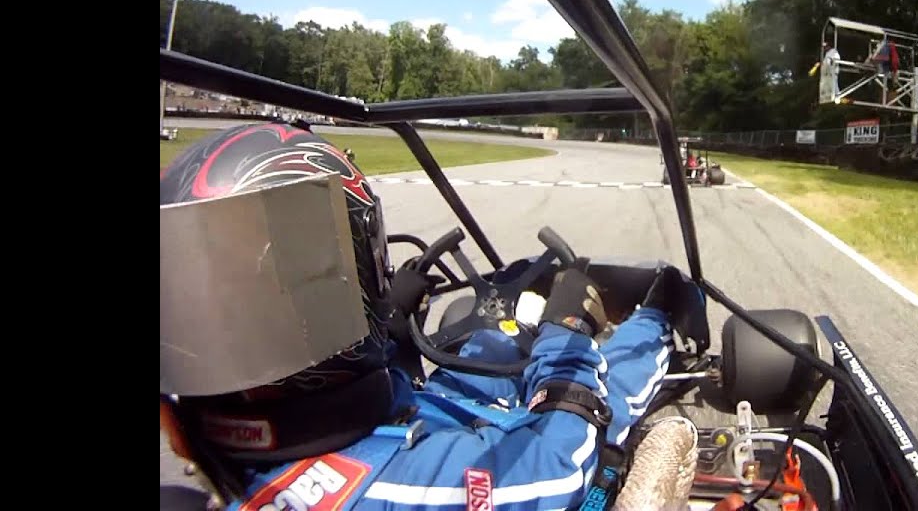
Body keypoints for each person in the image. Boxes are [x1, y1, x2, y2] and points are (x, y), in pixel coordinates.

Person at [160, 122, 692, 511]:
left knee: (487, 346)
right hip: (476, 450)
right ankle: (662, 318)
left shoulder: (239, 434)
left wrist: (391, 323)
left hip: (400, 416)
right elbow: (559, 468)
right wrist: (568, 334)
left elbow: (301, 371)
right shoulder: (371, 489)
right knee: (595, 384)